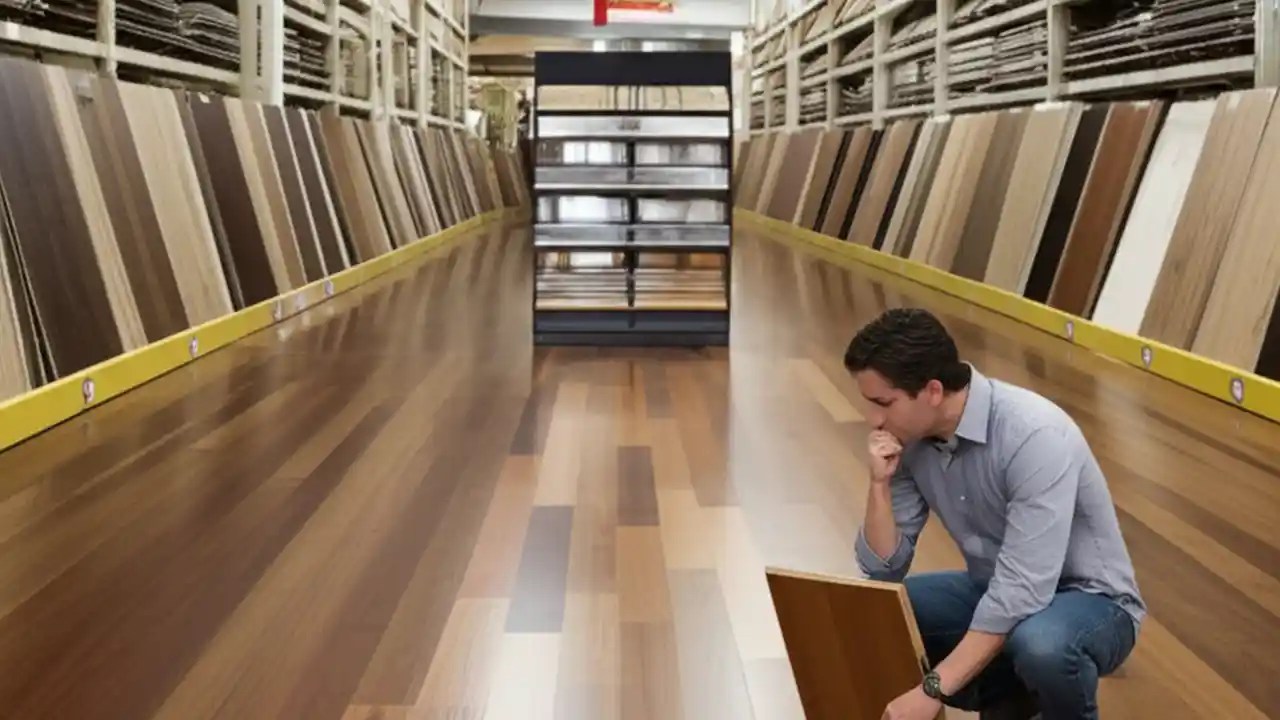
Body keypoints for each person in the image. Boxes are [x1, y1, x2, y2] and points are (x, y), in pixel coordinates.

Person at [842, 307, 1145, 720]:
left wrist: (931, 690)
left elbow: (1022, 591)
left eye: (884, 403)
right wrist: (879, 484)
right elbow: (883, 571)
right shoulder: (909, 438)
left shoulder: (1034, 435)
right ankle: (1008, 698)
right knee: (882, 612)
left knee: (1042, 645)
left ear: (932, 390)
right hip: (995, 587)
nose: (874, 419)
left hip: (1091, 601)